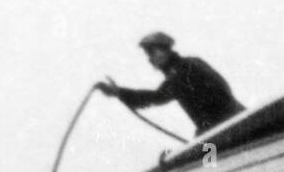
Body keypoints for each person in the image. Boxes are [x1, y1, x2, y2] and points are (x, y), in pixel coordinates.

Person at [96, 31, 244, 134]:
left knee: (207, 165)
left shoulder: (182, 71)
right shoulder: (189, 64)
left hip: (224, 128)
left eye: (151, 52)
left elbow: (156, 97)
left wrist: (118, 92)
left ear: (163, 51)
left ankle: (208, 164)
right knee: (207, 164)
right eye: (148, 54)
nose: (150, 59)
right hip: (231, 122)